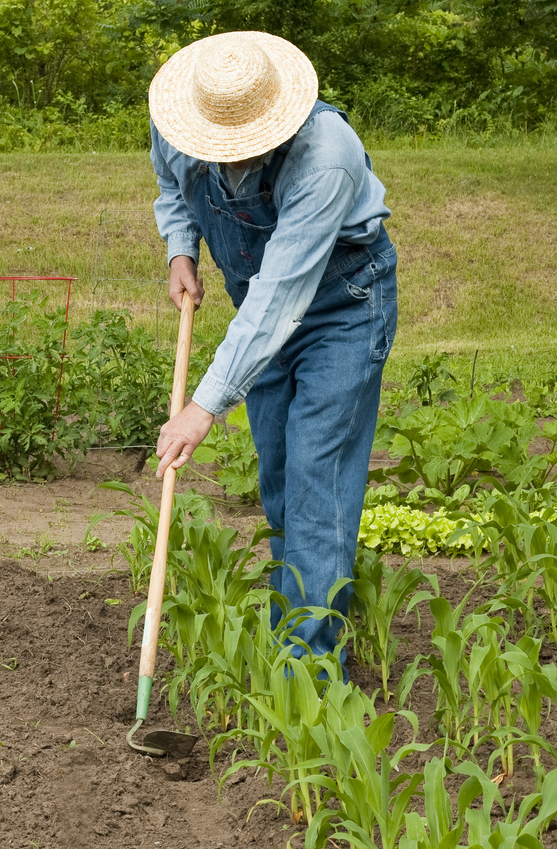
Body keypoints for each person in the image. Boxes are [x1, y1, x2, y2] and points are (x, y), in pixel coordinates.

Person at [147, 30, 398, 674]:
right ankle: (309, 620)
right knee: (281, 474)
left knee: (318, 475)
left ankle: (312, 677)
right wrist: (181, 248)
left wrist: (202, 408)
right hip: (259, 307)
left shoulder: (326, 157)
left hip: (339, 306)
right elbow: (172, 188)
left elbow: (282, 296)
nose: (227, 161)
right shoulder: (179, 125)